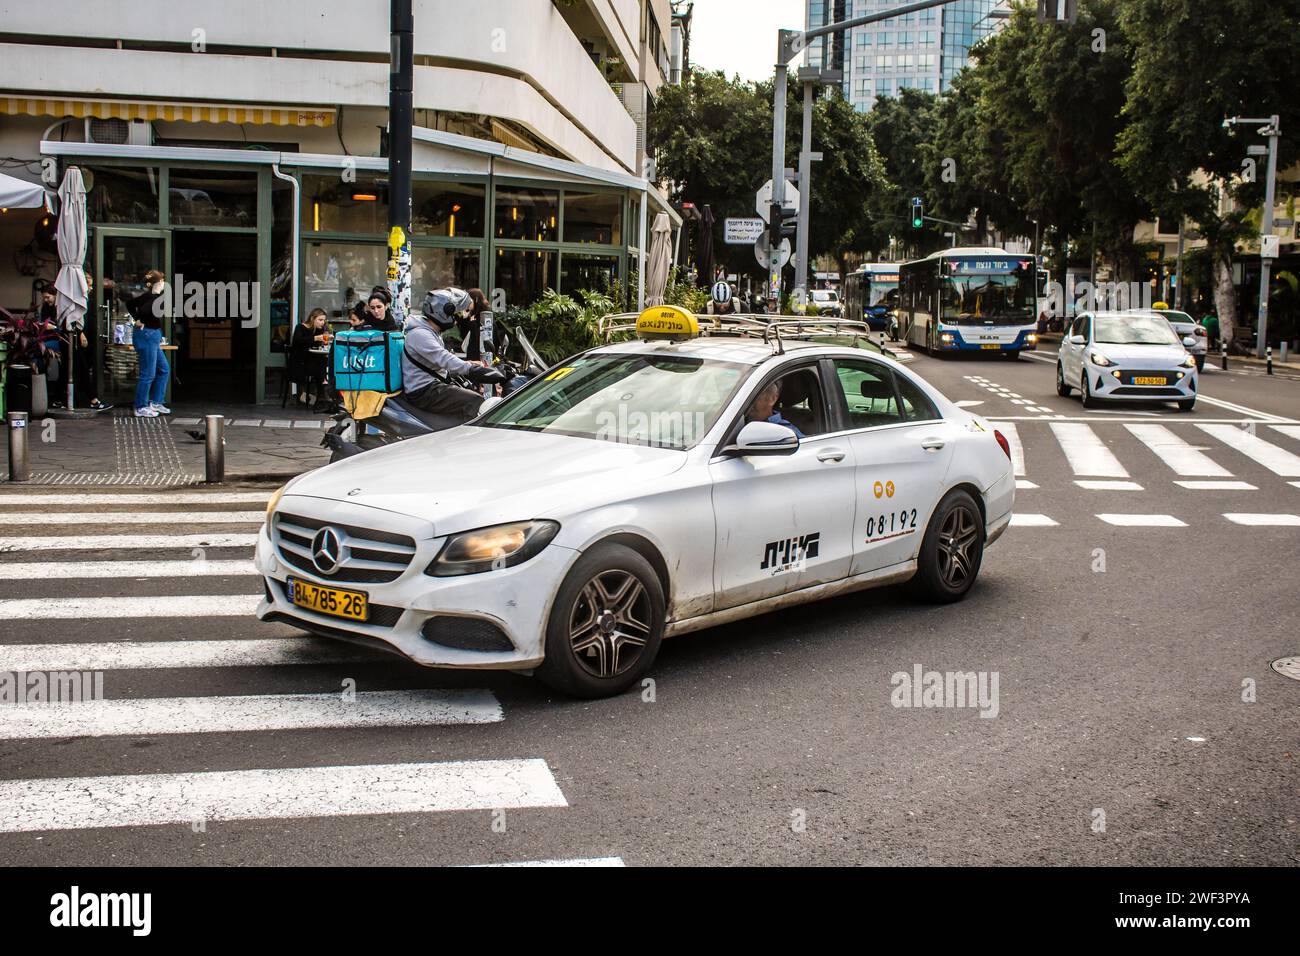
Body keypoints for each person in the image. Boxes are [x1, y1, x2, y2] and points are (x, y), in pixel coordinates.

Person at [402, 288, 505, 420]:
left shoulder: (431, 332)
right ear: (442, 312)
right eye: (454, 314)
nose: (457, 318)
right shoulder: (420, 334)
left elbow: (441, 359)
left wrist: (472, 364)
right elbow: (444, 358)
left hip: (433, 384)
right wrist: (471, 368)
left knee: (470, 392)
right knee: (474, 401)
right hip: (424, 391)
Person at [125, 269, 171, 417]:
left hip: (152, 334)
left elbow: (130, 304)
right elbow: (146, 310)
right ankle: (140, 406)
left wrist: (136, 317)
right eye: (162, 281)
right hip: (147, 334)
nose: (164, 283)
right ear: (157, 283)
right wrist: (140, 318)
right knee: (148, 373)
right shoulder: (152, 296)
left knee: (163, 369)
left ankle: (156, 402)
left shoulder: (147, 296)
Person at [289, 308, 332, 406]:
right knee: (321, 367)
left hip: (311, 360)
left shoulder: (319, 330)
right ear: (313, 318)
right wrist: (316, 338)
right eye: (320, 320)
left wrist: (326, 339)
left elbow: (317, 345)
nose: (322, 323)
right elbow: (298, 341)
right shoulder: (300, 327)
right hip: (299, 362)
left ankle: (322, 395)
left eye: (324, 320)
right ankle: (322, 394)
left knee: (324, 361)